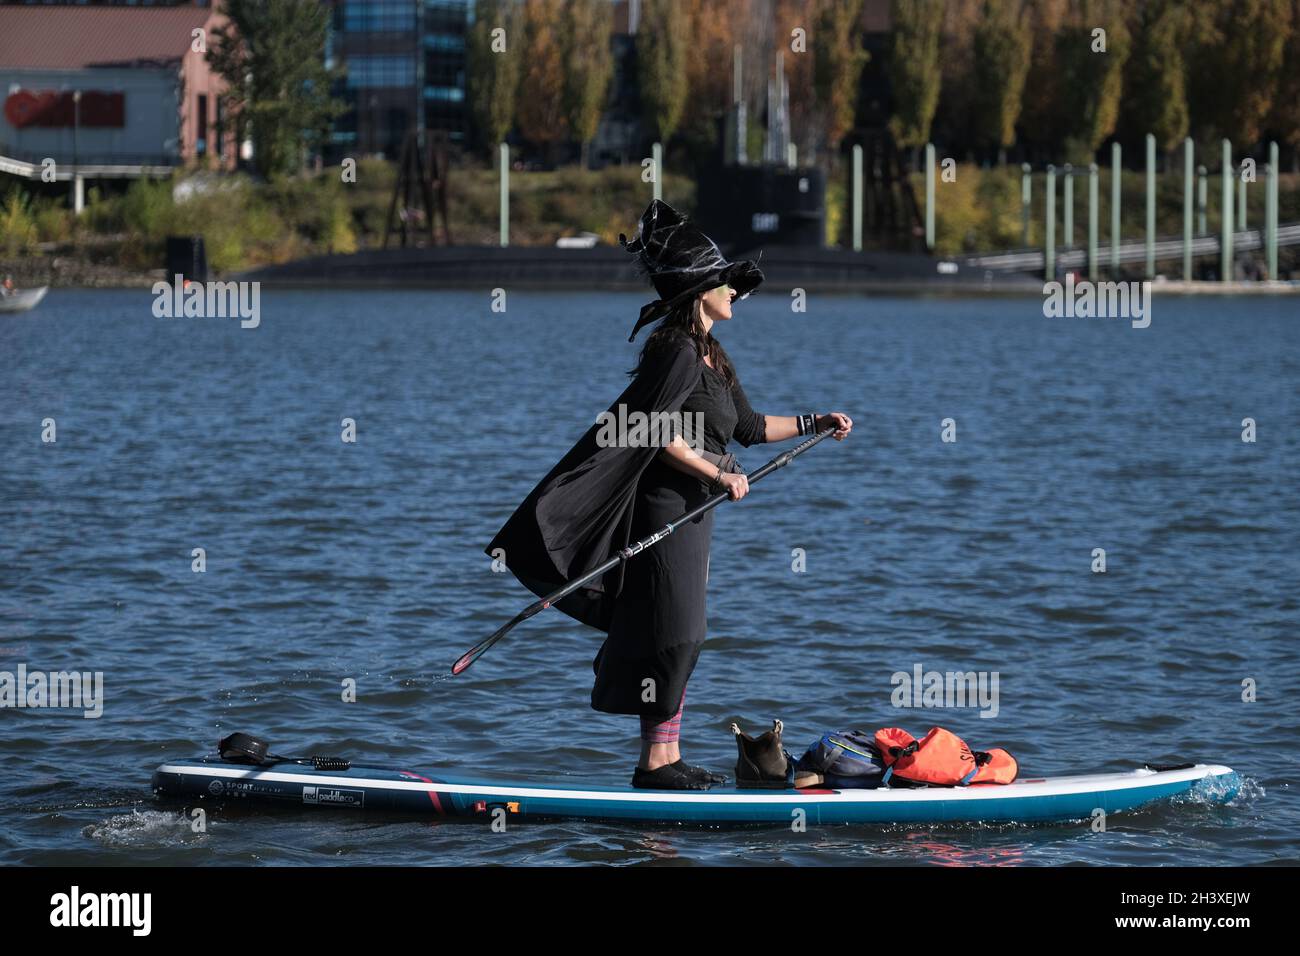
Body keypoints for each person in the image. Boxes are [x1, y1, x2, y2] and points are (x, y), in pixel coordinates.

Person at [487, 199, 851, 790]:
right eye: (725, 283)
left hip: (695, 511)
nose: (735, 290)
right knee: (679, 631)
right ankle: (656, 764)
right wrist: (715, 473)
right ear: (698, 290)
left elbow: (751, 429)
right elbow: (651, 432)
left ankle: (664, 759)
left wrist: (817, 421)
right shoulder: (675, 350)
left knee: (675, 630)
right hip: (664, 506)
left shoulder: (714, 355)